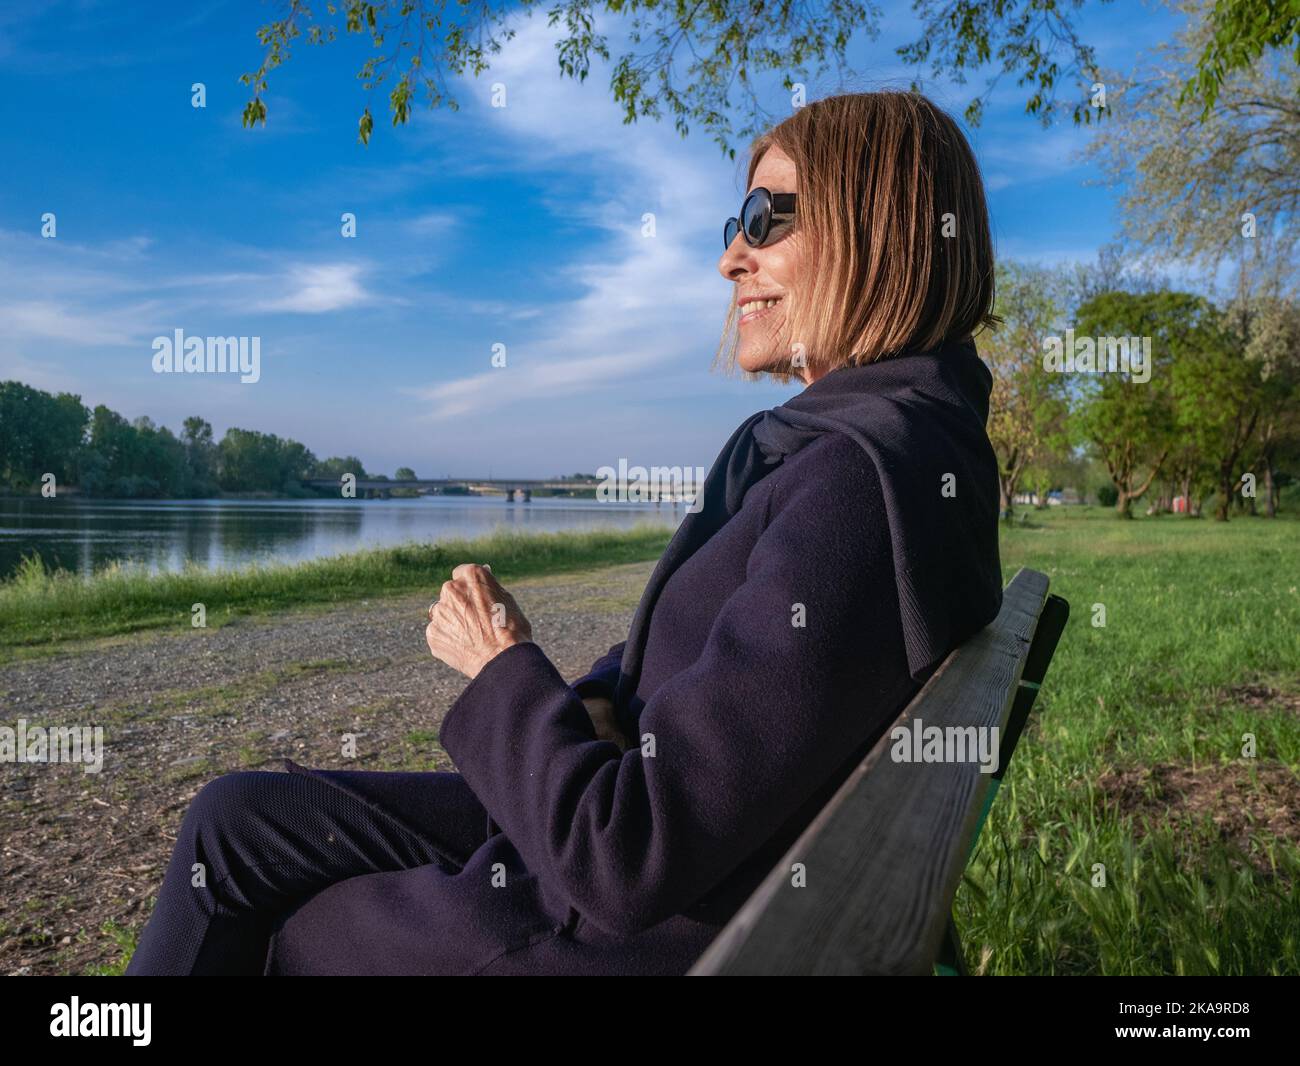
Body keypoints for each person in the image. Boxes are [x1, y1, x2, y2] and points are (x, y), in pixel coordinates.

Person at [125, 89, 1003, 976]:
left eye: (765, 218)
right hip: (629, 829)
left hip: (615, 918)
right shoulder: (875, 447)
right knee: (233, 822)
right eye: (735, 223)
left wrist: (501, 663)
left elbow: (627, 860)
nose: (732, 256)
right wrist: (586, 700)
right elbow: (709, 666)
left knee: (294, 926)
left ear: (878, 228)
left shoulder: (856, 483)